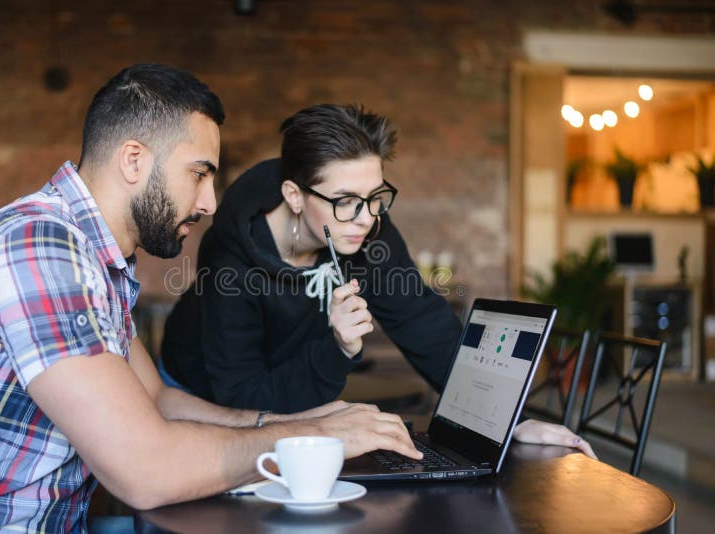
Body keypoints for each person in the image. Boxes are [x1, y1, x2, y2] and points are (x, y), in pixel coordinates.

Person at [0, 66, 421, 533]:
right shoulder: (40, 249)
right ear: (134, 160)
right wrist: (317, 441)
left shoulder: (92, 258)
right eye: (199, 173)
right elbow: (146, 471)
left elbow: (158, 400)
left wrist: (300, 423)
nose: (210, 202)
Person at [161, 104, 596, 456]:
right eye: (346, 201)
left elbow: (425, 323)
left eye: (374, 197)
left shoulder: (367, 232)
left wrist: (510, 423)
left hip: (292, 394)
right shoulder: (230, 258)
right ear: (294, 195)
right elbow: (242, 395)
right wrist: (336, 350)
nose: (366, 218)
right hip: (203, 397)